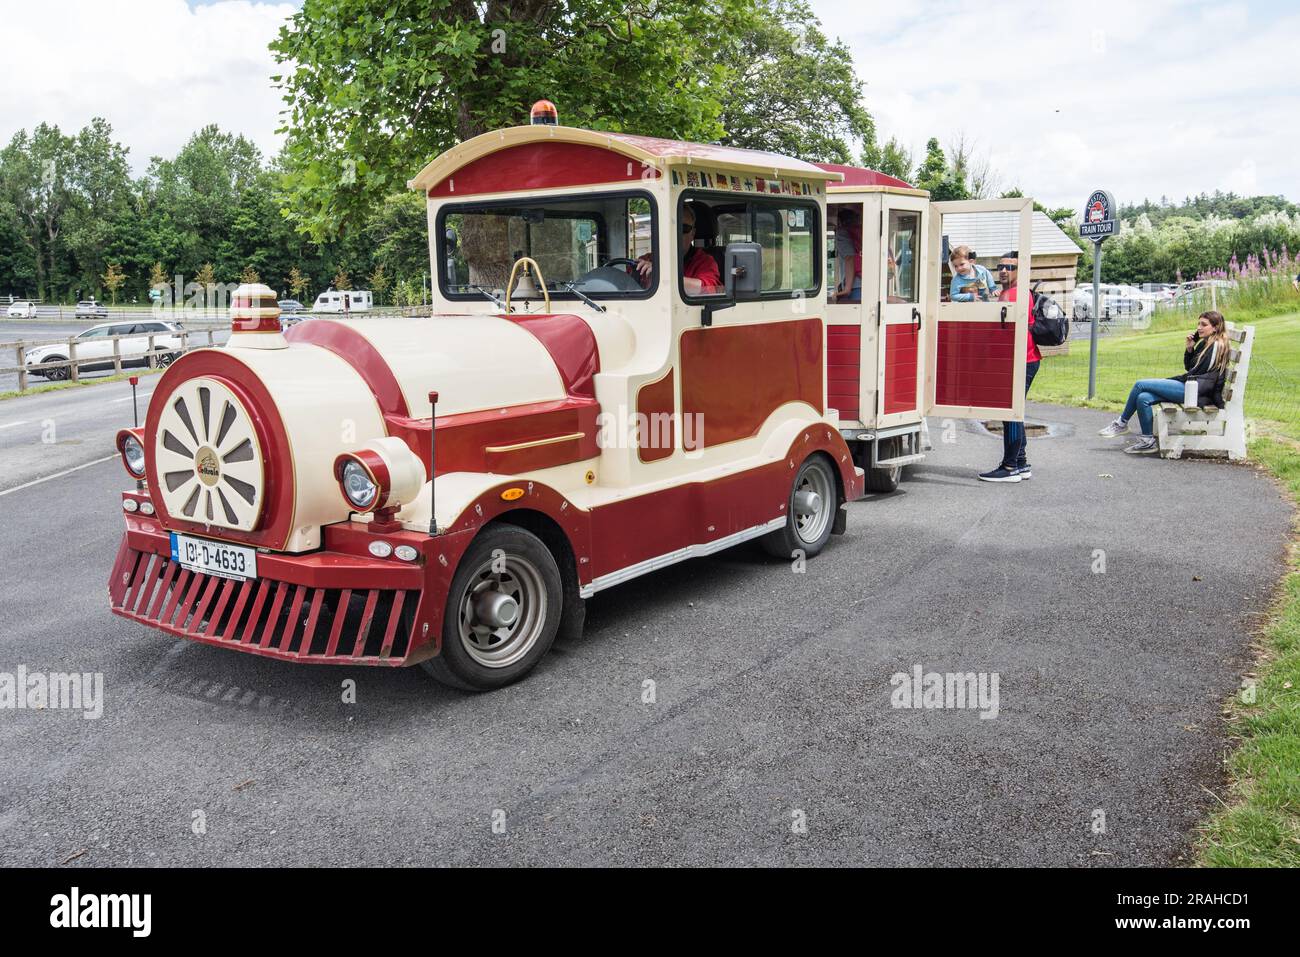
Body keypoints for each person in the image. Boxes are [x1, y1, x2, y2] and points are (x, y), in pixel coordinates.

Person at [1097, 310, 1231, 454]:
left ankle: (1121, 423)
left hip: (1196, 392)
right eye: (1198, 324)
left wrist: (1176, 379)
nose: (1199, 327)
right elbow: (1190, 367)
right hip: (1191, 386)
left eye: (1204, 325)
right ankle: (1148, 441)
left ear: (1215, 327)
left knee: (1140, 384)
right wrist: (1190, 348)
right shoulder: (1205, 343)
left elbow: (1195, 372)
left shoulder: (1216, 345)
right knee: (1143, 398)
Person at [978, 251, 1041, 483]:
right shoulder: (1013, 292)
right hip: (1027, 360)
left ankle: (1010, 466)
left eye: (1010, 267)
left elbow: (1001, 333)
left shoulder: (1012, 295)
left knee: (1011, 412)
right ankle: (1021, 463)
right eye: (1000, 266)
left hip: (1021, 361)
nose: (1004, 270)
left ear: (1020, 271)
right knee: (1014, 412)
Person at [637, 201, 721, 295]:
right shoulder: (647, 260)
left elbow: (708, 289)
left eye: (683, 228)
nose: (675, 233)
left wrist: (661, 276)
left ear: (692, 234)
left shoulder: (705, 262)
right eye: (670, 228)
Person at [833, 206, 862, 303]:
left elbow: (850, 258)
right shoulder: (863, 233)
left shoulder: (842, 233)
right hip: (870, 283)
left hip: (856, 286)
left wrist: (847, 288)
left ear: (840, 221)